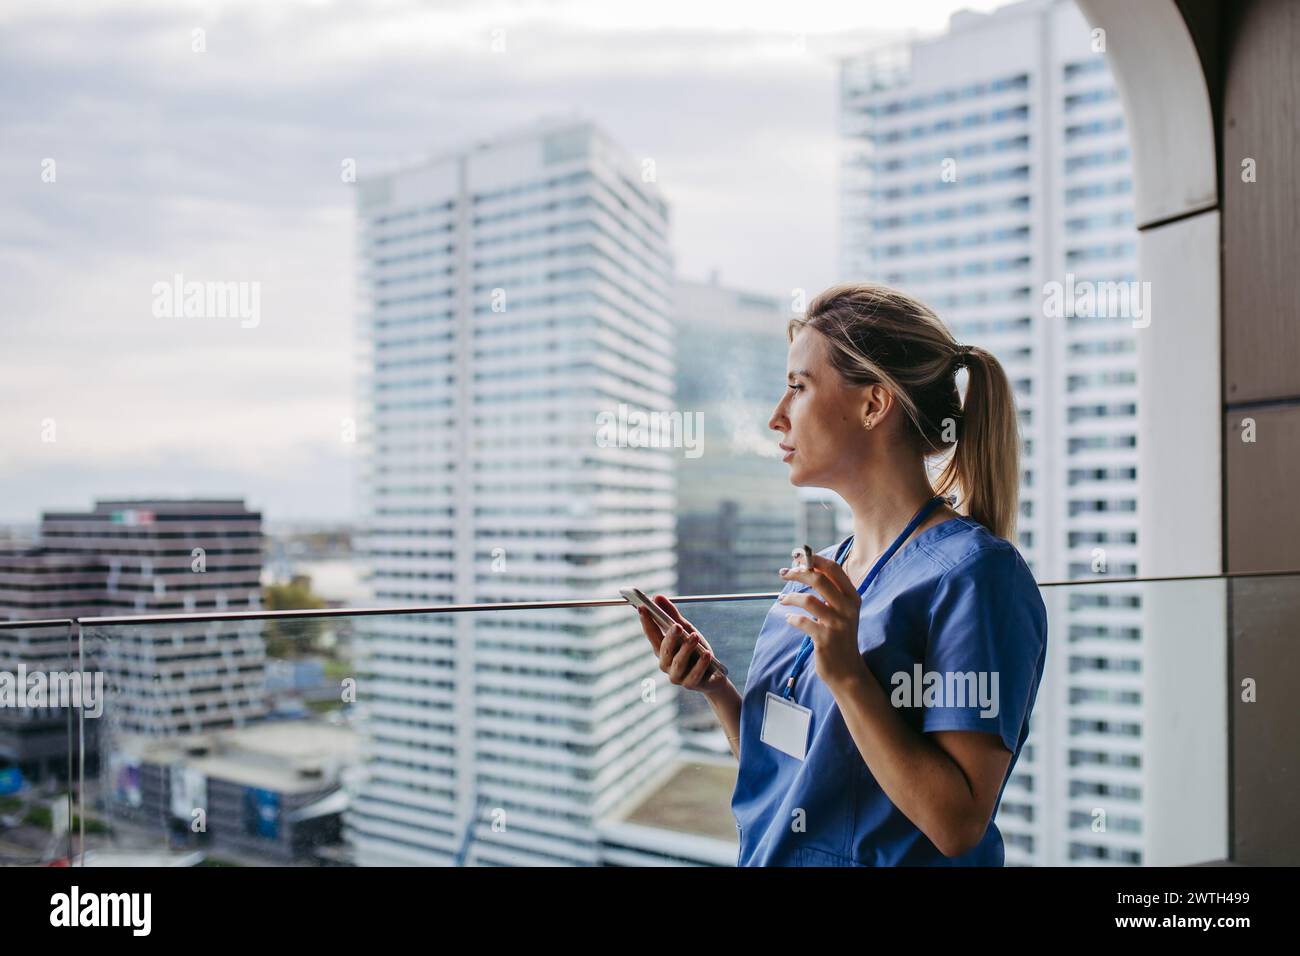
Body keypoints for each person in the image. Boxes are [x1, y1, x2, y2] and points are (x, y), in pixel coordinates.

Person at [636, 282, 1047, 866]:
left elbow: (957, 824)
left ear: (874, 405)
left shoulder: (975, 578)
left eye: (798, 389)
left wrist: (850, 676)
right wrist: (716, 689)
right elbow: (792, 767)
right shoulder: (821, 570)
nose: (777, 418)